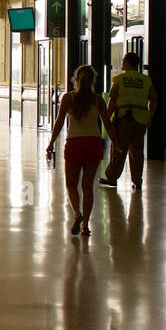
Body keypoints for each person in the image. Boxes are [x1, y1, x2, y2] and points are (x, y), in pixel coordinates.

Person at [46, 65, 118, 237]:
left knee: (71, 184)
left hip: (74, 144)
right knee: (87, 186)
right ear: (93, 81)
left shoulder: (68, 99)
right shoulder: (98, 100)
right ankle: (85, 225)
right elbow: (107, 124)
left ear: (75, 79)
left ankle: (77, 213)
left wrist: (51, 143)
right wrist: (116, 144)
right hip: (93, 144)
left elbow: (59, 123)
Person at [100, 52, 157, 190]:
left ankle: (112, 178)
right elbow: (154, 100)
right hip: (140, 120)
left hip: (123, 118)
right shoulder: (146, 80)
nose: (122, 63)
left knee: (119, 148)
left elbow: (112, 101)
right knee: (137, 152)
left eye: (123, 61)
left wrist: (107, 118)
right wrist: (149, 116)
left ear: (127, 62)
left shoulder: (119, 80)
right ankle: (137, 181)